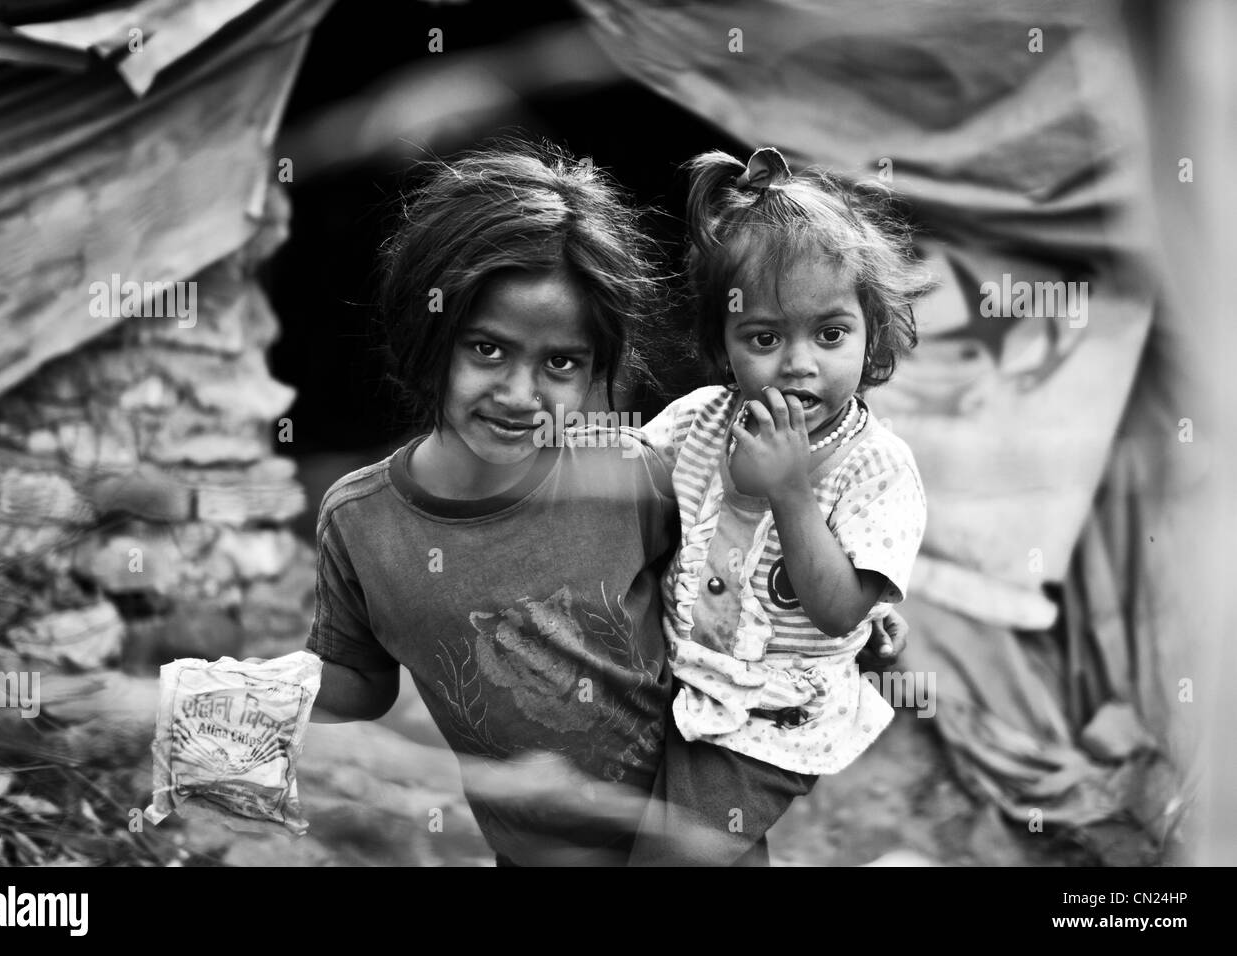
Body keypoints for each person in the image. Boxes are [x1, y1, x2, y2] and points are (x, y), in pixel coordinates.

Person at [306, 139, 908, 866]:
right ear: (427, 330)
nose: (520, 394)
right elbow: (360, 685)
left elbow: (753, 565)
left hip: (694, 824)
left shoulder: (630, 477)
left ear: (596, 369)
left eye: (561, 362)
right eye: (487, 349)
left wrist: (852, 616)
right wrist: (260, 691)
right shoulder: (361, 524)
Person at [630, 147, 935, 865]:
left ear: (872, 333)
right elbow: (623, 486)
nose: (799, 364)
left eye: (830, 334)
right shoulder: (700, 420)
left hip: (775, 713)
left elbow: (838, 611)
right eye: (765, 338)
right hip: (683, 677)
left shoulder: (876, 468)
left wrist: (791, 492)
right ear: (722, 341)